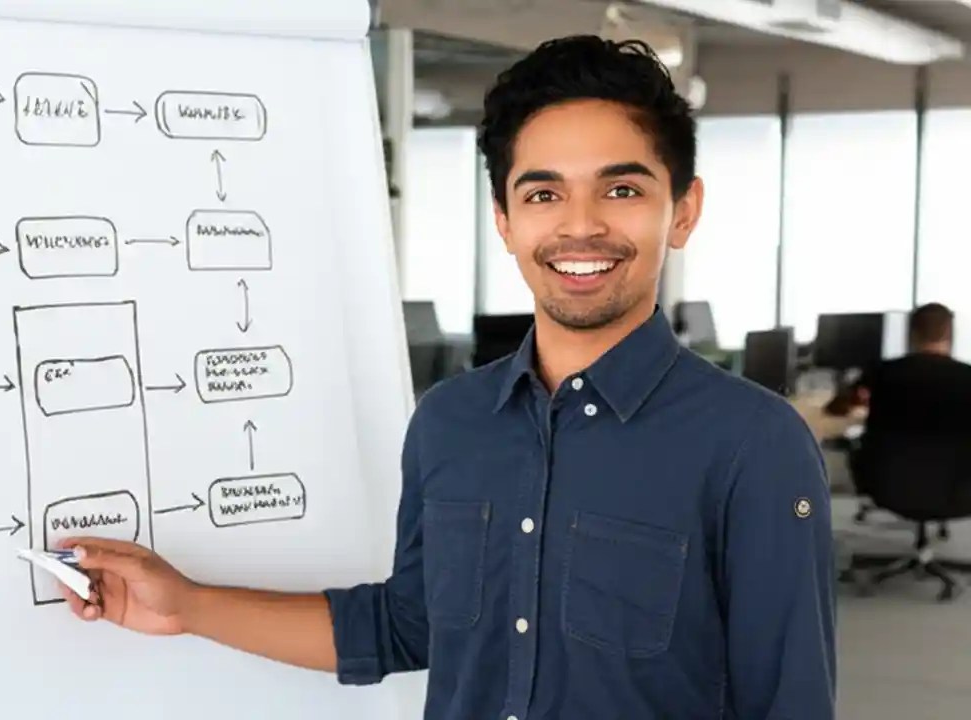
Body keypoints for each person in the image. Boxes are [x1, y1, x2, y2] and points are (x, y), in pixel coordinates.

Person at [60, 36, 836, 719]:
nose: (581, 224)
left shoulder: (753, 445)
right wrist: (187, 606)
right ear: (504, 218)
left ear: (683, 211)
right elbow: (408, 625)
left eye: (622, 189)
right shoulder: (451, 421)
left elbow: (789, 702)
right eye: (543, 193)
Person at [850, 303, 971, 538]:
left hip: (888, 486)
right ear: (951, 334)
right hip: (960, 493)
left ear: (911, 334)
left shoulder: (881, 371)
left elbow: (838, 407)